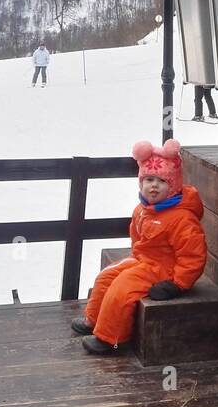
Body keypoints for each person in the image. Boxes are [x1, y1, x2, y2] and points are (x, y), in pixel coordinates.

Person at [72, 139, 206, 353]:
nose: (154, 185)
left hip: (164, 269)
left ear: (173, 186)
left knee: (122, 288)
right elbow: (136, 237)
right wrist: (136, 259)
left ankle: (111, 339)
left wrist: (178, 284)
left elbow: (193, 256)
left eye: (161, 181)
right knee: (107, 276)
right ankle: (93, 320)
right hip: (143, 261)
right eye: (149, 179)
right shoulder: (141, 210)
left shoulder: (182, 218)